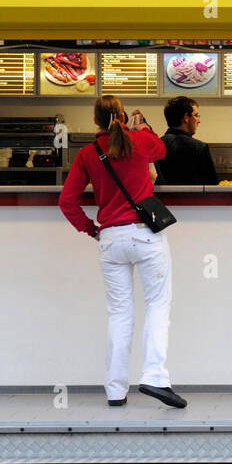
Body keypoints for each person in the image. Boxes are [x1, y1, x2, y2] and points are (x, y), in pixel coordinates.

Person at [58, 94, 187, 409]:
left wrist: (91, 228)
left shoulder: (88, 153)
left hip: (111, 239)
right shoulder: (139, 141)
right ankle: (155, 377)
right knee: (157, 305)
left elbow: (67, 201)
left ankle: (115, 390)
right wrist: (142, 128)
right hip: (145, 236)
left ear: (94, 121)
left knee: (119, 313)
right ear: (125, 115)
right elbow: (162, 149)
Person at [154, 95, 219, 186]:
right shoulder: (199, 147)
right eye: (196, 115)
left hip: (162, 199)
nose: (199, 120)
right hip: (194, 199)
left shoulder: (156, 146)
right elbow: (212, 185)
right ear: (186, 118)